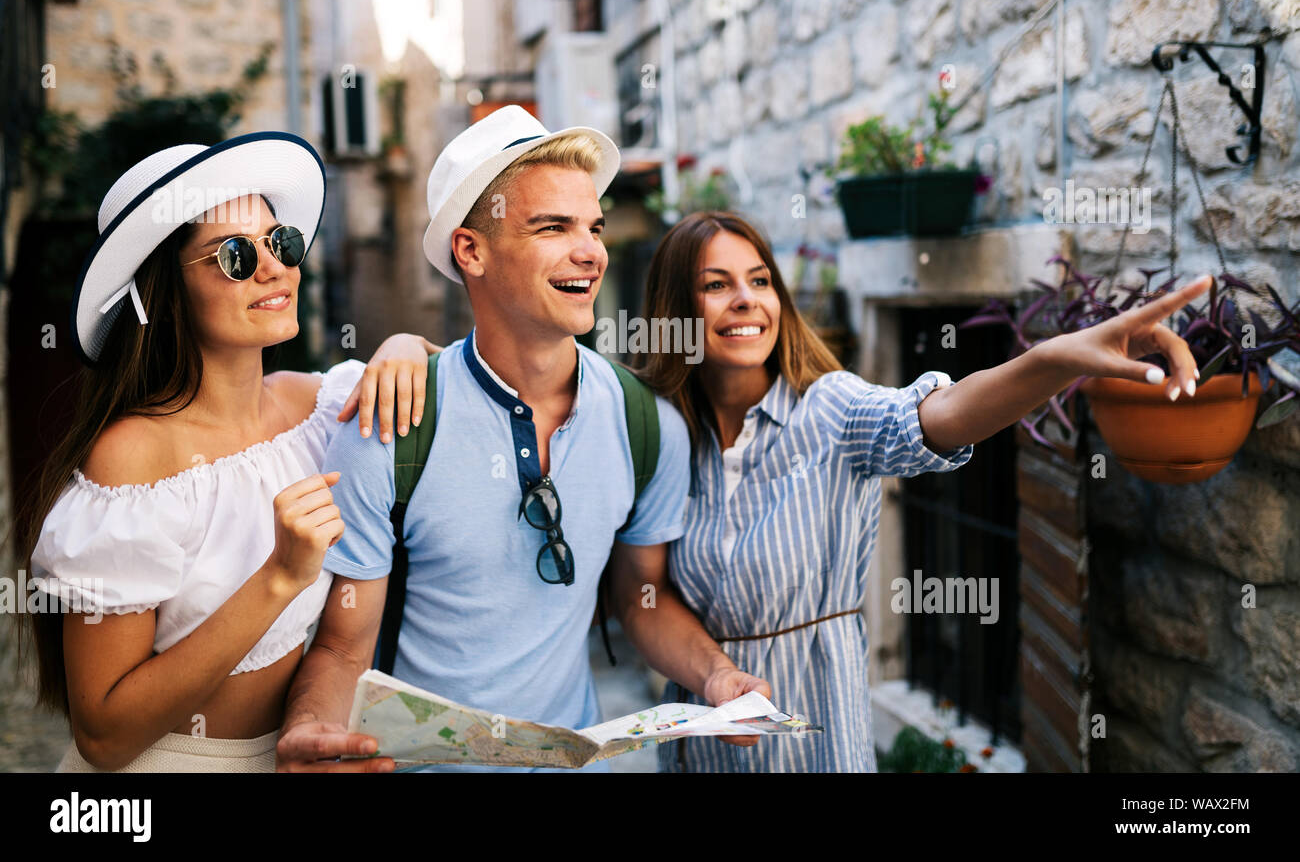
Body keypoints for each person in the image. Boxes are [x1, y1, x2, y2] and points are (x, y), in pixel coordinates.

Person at [276, 106, 769, 772]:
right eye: (553, 227)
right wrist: (310, 728)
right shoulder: (390, 426)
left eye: (592, 227)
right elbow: (340, 646)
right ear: (470, 250)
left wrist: (717, 677)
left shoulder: (646, 424)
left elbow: (638, 599)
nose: (590, 250)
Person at [634, 210, 1209, 772]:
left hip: (814, 737)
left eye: (760, 280)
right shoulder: (658, 435)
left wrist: (1052, 358)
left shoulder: (831, 408)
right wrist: (713, 675)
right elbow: (642, 593)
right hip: (699, 743)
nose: (746, 298)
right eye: (716, 285)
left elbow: (944, 413)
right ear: (675, 310)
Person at [16, 132, 435, 772]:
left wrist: (405, 343)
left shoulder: (316, 408)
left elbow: (447, 374)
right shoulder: (131, 461)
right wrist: (279, 577)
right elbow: (104, 736)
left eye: (282, 241)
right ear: (165, 288)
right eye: (235, 255)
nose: (273, 266)